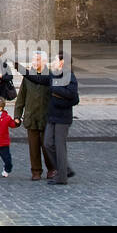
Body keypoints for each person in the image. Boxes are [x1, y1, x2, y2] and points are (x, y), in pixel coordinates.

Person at [13, 50, 53, 180]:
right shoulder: (28, 77)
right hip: (31, 117)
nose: (34, 63)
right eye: (33, 60)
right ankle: (36, 171)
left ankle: (51, 168)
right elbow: (21, 98)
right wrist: (17, 115)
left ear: (45, 61)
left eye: (37, 60)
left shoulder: (50, 76)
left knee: (47, 146)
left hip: (46, 117)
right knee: (33, 147)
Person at [43, 53, 79, 186]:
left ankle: (62, 177)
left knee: (59, 146)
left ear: (62, 62)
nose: (53, 61)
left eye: (55, 59)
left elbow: (72, 94)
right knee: (47, 143)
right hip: (52, 115)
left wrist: (55, 89)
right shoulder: (53, 74)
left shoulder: (69, 75)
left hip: (63, 117)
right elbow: (39, 79)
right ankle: (65, 169)